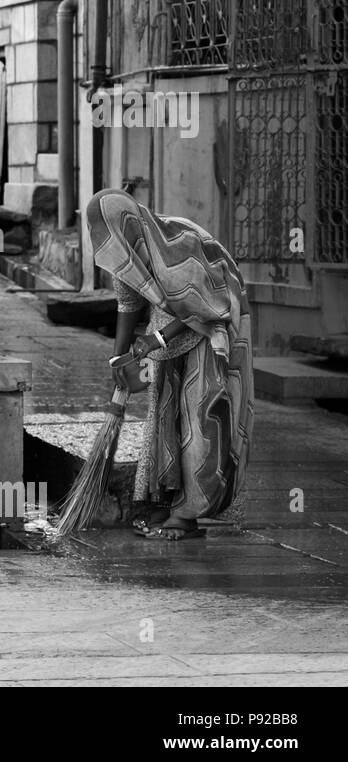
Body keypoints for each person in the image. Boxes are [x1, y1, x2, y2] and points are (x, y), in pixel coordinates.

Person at [85, 188, 254, 540]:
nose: (109, 242)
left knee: (201, 416)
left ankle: (189, 515)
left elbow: (207, 305)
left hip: (214, 328)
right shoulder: (124, 251)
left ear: (128, 223)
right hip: (169, 332)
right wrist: (118, 357)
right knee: (167, 416)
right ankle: (172, 502)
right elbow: (127, 303)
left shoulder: (180, 241)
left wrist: (154, 341)